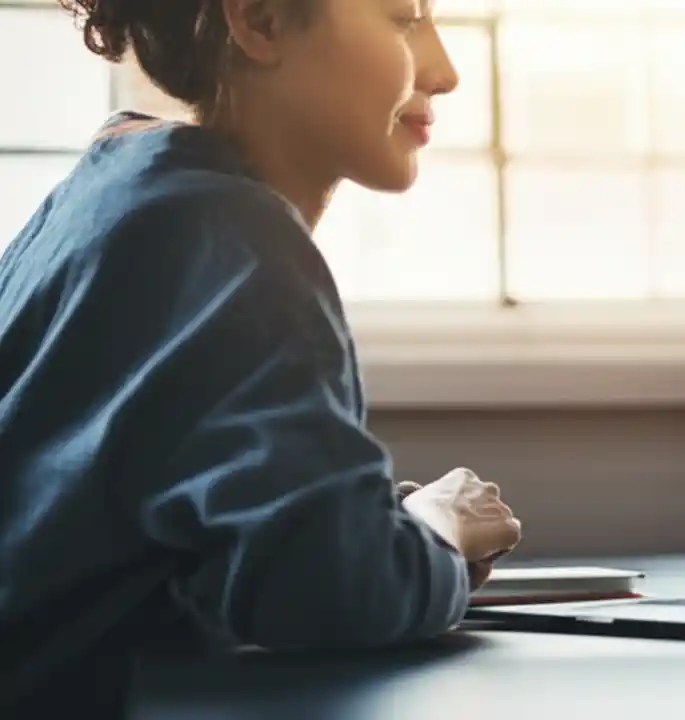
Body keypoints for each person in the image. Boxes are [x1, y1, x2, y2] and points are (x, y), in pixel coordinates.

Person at [0, 0, 522, 714]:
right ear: (261, 21)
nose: (447, 71)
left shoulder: (112, 187)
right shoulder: (237, 239)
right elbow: (337, 591)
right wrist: (442, 529)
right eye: (404, 18)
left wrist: (378, 520)